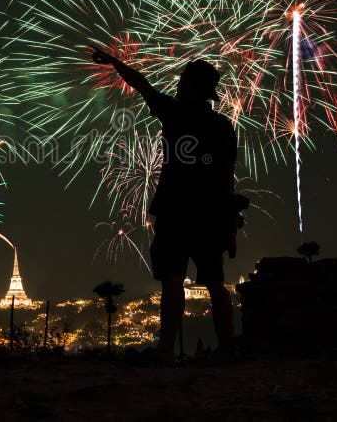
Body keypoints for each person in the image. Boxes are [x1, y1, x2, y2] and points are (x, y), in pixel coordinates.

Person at [91, 48, 238, 361]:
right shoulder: (222, 126)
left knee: (172, 281)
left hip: (175, 209)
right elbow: (227, 173)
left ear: (194, 88)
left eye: (183, 81)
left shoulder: (175, 113)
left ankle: (166, 351)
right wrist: (229, 212)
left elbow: (142, 84)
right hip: (210, 212)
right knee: (214, 282)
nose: (178, 85)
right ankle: (226, 349)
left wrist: (116, 62)